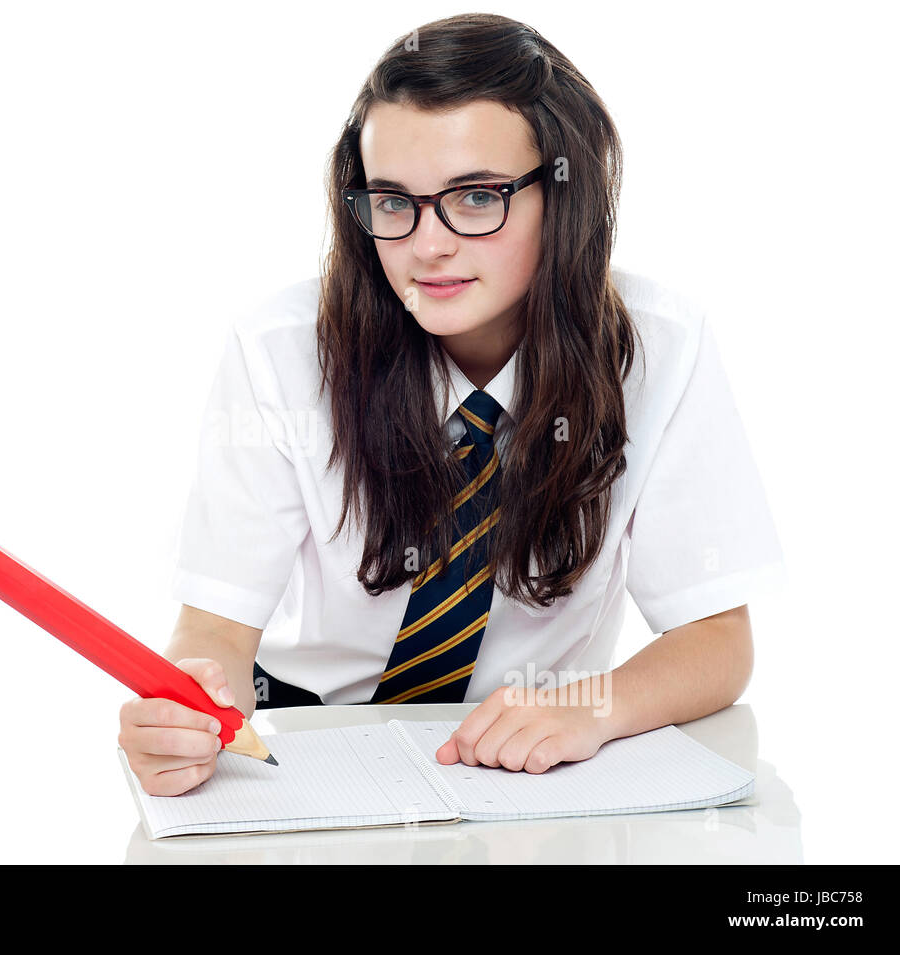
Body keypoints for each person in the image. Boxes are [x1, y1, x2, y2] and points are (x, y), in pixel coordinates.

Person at [118, 12, 785, 797]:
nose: (427, 245)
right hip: (309, 737)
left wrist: (591, 708)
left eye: (474, 197)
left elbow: (716, 638)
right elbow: (216, 630)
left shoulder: (661, 347)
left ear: (563, 196)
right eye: (392, 201)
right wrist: (190, 711)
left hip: (531, 752)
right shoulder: (280, 349)